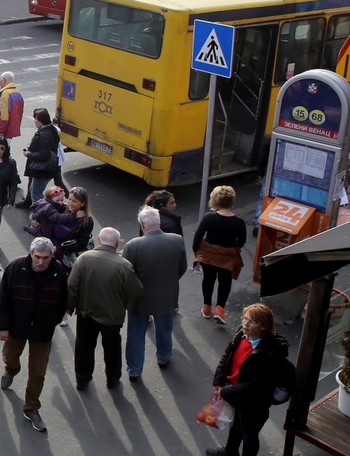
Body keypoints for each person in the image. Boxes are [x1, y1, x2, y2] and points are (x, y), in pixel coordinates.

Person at [0, 236, 70, 433]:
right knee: (10, 357)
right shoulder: (15, 268)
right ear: (31, 253)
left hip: (42, 331)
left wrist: (53, 320)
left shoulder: (59, 272)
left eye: (45, 258)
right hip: (17, 327)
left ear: (52, 256)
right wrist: (3, 327)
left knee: (38, 372)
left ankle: (31, 408)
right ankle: (11, 370)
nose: (41, 262)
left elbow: (64, 300)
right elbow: (3, 298)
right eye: (37, 256)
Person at [207, 304, 290, 456]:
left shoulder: (269, 353)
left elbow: (256, 384)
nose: (245, 323)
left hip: (254, 402)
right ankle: (230, 451)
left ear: (263, 327)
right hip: (235, 393)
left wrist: (225, 391)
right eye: (245, 318)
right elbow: (227, 356)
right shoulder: (241, 334)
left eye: (252, 321)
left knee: (249, 435)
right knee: (236, 426)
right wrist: (218, 382)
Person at [67, 227, 143, 390]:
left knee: (84, 347)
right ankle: (113, 379)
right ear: (116, 243)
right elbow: (134, 291)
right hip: (112, 316)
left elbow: (72, 285)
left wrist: (69, 307)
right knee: (112, 349)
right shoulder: (124, 265)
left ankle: (82, 378)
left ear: (100, 240)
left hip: (86, 313)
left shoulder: (84, 259)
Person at [122, 206, 188, 382]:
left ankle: (134, 370)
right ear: (158, 221)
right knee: (165, 329)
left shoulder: (133, 245)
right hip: (166, 296)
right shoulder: (177, 240)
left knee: (136, 335)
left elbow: (127, 275)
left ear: (142, 224)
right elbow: (181, 268)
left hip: (139, 299)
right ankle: (164, 358)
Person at [193, 185, 247, 326]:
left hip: (209, 256)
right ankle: (220, 309)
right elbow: (241, 242)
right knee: (225, 282)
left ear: (215, 201)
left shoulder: (209, 217)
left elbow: (197, 237)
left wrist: (198, 253)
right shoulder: (239, 222)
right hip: (227, 258)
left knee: (208, 280)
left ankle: (206, 307)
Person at [18, 108, 59, 209]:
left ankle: (39, 220)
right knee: (36, 193)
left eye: (35, 119)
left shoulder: (44, 134)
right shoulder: (50, 129)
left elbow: (44, 154)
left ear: (41, 120)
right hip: (45, 170)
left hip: (42, 170)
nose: (34, 121)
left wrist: (29, 154)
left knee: (36, 197)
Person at [0, 71, 24, 140]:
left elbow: (4, 117)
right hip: (10, 132)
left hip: (2, 133)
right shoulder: (18, 93)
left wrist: (0, 131)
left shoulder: (5, 94)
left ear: (4, 80)